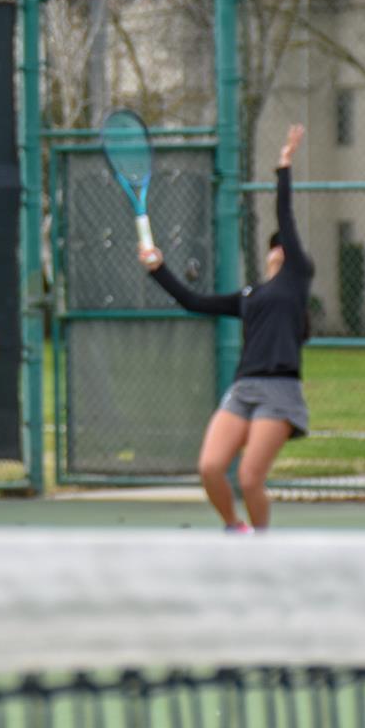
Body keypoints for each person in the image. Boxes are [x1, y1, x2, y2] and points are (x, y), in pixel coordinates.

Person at [141, 123, 314, 532]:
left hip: (280, 391)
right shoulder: (251, 295)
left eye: (282, 243)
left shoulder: (297, 279)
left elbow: (285, 217)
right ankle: (235, 527)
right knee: (210, 467)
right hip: (244, 388)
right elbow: (193, 302)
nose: (278, 247)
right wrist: (158, 269)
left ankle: (262, 543)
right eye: (273, 243)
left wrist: (284, 166)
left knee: (251, 478)